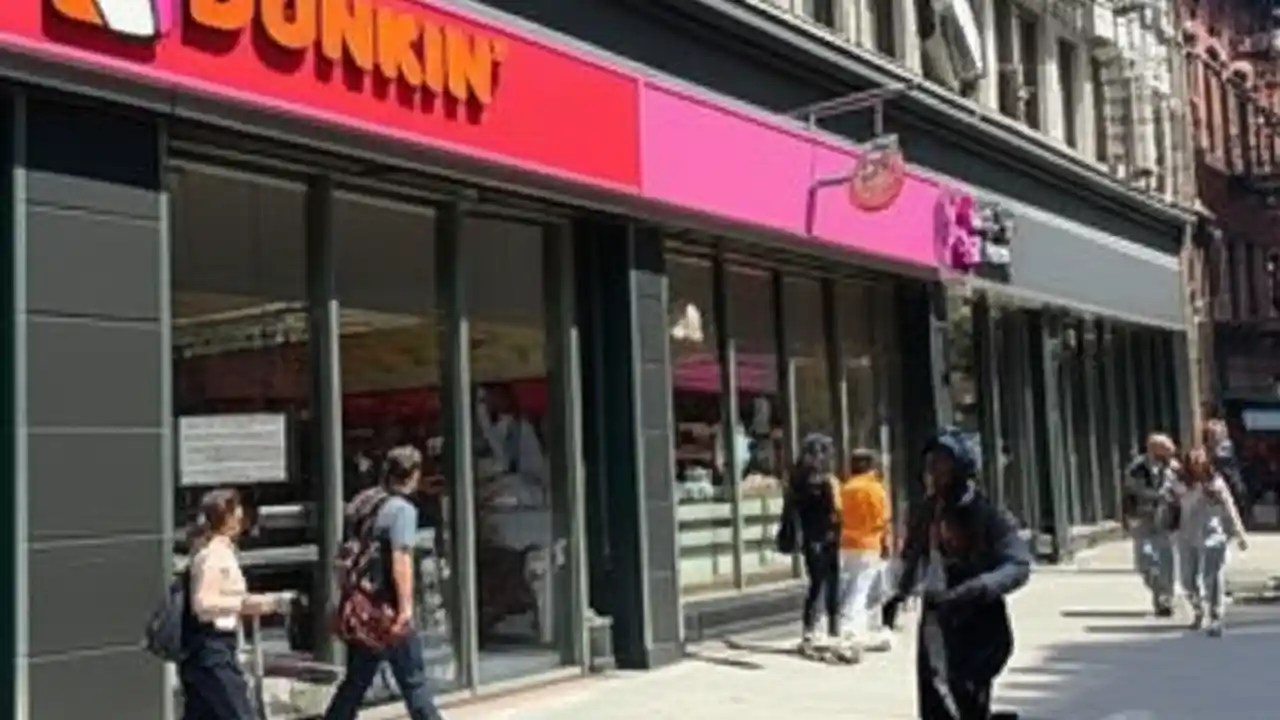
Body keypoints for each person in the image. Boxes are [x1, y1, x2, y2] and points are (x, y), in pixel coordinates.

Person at [881, 429, 1031, 720]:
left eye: (943, 463)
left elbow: (1019, 565)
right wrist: (898, 594)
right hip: (937, 611)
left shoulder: (986, 514)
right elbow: (915, 551)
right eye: (932, 463)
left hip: (976, 615)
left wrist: (982, 586)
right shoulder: (928, 509)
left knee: (967, 693)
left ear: (962, 469)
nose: (934, 471)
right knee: (936, 691)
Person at [324, 445, 445, 720]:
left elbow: (345, 555)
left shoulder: (362, 502)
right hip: (386, 607)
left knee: (356, 680)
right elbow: (401, 559)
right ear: (413, 474)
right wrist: (405, 608)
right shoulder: (401, 509)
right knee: (413, 680)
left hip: (362, 606)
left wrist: (344, 600)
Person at [182, 489, 290, 720]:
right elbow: (203, 603)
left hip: (215, 648)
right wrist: (242, 605)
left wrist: (269, 602)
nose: (242, 515)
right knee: (241, 714)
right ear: (227, 517)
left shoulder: (221, 551)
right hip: (212, 649)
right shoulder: (212, 555)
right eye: (237, 509)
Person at [1173, 447, 1250, 637]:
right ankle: (1198, 611)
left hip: (1212, 535)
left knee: (1212, 577)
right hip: (1186, 535)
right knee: (1187, 579)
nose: (1197, 465)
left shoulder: (1216, 483)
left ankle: (1215, 617)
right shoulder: (1180, 484)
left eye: (1200, 461)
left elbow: (1230, 507)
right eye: (1193, 462)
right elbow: (1170, 504)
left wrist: (1239, 533)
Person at [786, 432, 846, 657]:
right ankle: (830, 627)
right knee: (828, 582)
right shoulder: (824, 481)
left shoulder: (798, 480)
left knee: (819, 583)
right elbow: (837, 511)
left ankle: (813, 628)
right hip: (824, 537)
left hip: (814, 538)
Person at [837, 449, 893, 651]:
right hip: (869, 543)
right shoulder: (875, 489)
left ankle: (859, 627)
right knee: (862, 588)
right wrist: (886, 542)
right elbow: (883, 519)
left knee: (852, 585)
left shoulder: (846, 488)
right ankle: (852, 629)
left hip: (847, 543)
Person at [1123, 433, 1181, 617]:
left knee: (1166, 561)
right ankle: (1159, 590)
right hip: (1142, 518)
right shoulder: (1136, 468)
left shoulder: (1173, 468)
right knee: (1144, 561)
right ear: (1153, 449)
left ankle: (1165, 599)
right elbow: (1133, 489)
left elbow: (1181, 487)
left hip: (1164, 519)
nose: (1170, 454)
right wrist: (1158, 495)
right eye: (1166, 450)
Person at [1204, 419, 1249, 529]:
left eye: (1216, 433)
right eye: (1211, 434)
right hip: (1213, 480)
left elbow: (1221, 458)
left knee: (1238, 493)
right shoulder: (1206, 448)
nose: (1214, 436)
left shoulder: (1227, 445)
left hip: (1229, 478)